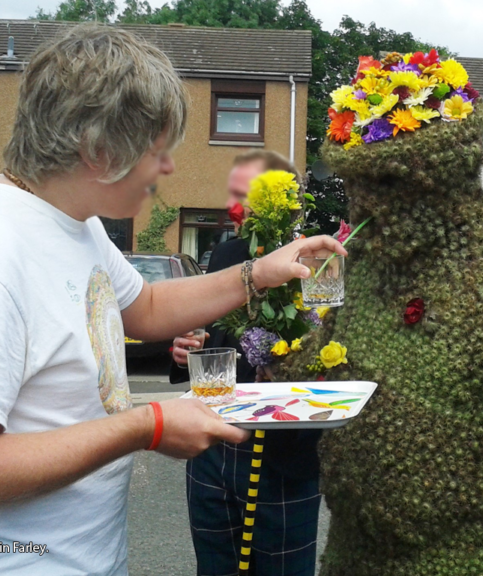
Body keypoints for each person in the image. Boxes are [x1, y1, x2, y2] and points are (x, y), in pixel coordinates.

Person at [0, 25, 344, 576]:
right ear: (97, 149)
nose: (169, 168)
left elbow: (148, 307)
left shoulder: (73, 226)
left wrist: (258, 273)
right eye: (158, 151)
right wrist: (147, 426)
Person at [171, 150, 324, 576]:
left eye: (246, 193)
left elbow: (335, 355)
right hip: (214, 444)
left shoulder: (315, 262)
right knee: (215, 567)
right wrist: (188, 348)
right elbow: (211, 334)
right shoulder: (227, 254)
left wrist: (296, 365)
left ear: (285, 199)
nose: (235, 204)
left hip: (282, 453)